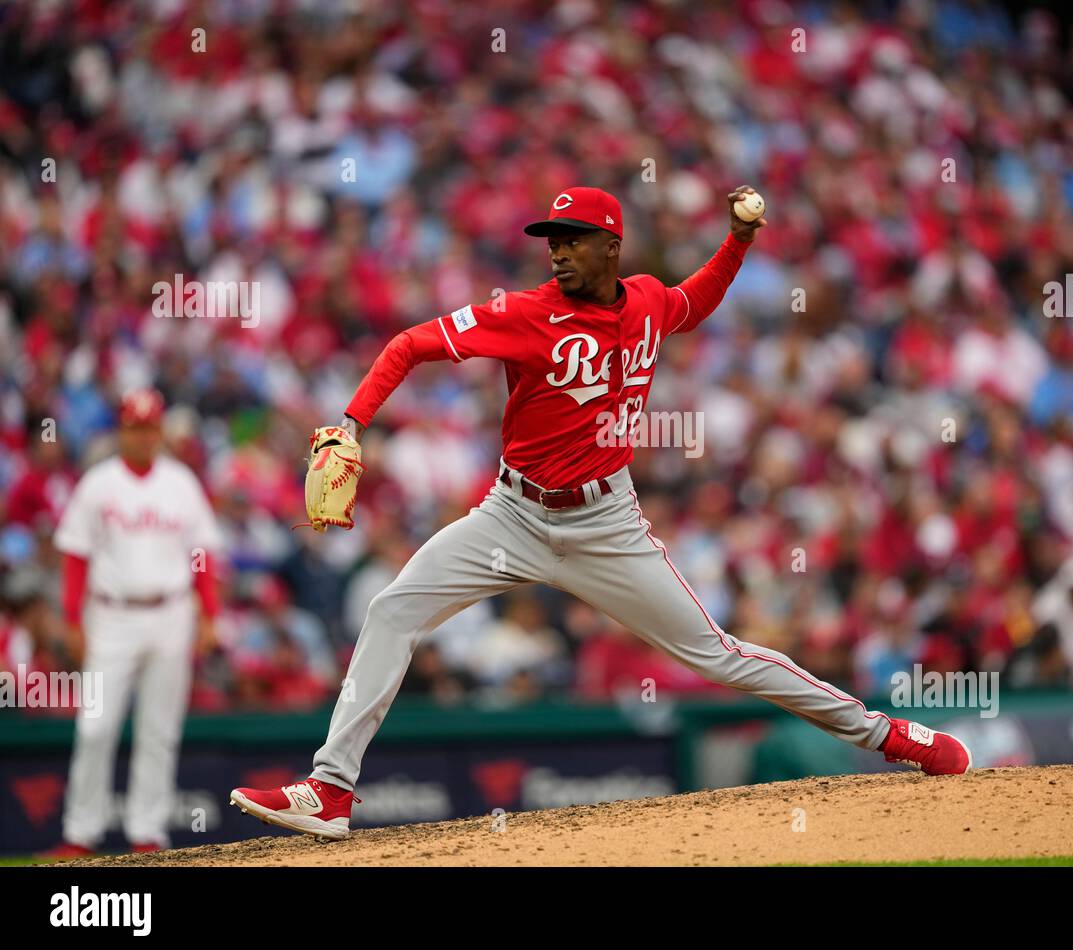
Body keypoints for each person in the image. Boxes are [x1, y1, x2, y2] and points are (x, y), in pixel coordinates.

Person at [230, 186, 972, 840]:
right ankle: (330, 791)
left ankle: (888, 735)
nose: (556, 254)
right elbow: (409, 344)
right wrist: (353, 420)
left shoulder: (646, 299)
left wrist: (738, 241)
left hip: (605, 524)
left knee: (716, 652)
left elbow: (696, 299)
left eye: (571, 241)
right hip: (509, 517)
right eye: (550, 242)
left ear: (610, 246)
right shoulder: (523, 315)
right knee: (392, 611)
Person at [42, 388, 223, 856]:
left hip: (172, 612)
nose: (143, 435)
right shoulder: (99, 483)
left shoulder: (181, 482)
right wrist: (72, 620)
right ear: (122, 430)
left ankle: (149, 834)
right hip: (112, 615)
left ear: (160, 430)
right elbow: (76, 555)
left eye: (150, 427)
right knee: (96, 726)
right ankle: (80, 833)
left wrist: (209, 614)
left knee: (158, 730)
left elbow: (201, 553)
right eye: (134, 427)